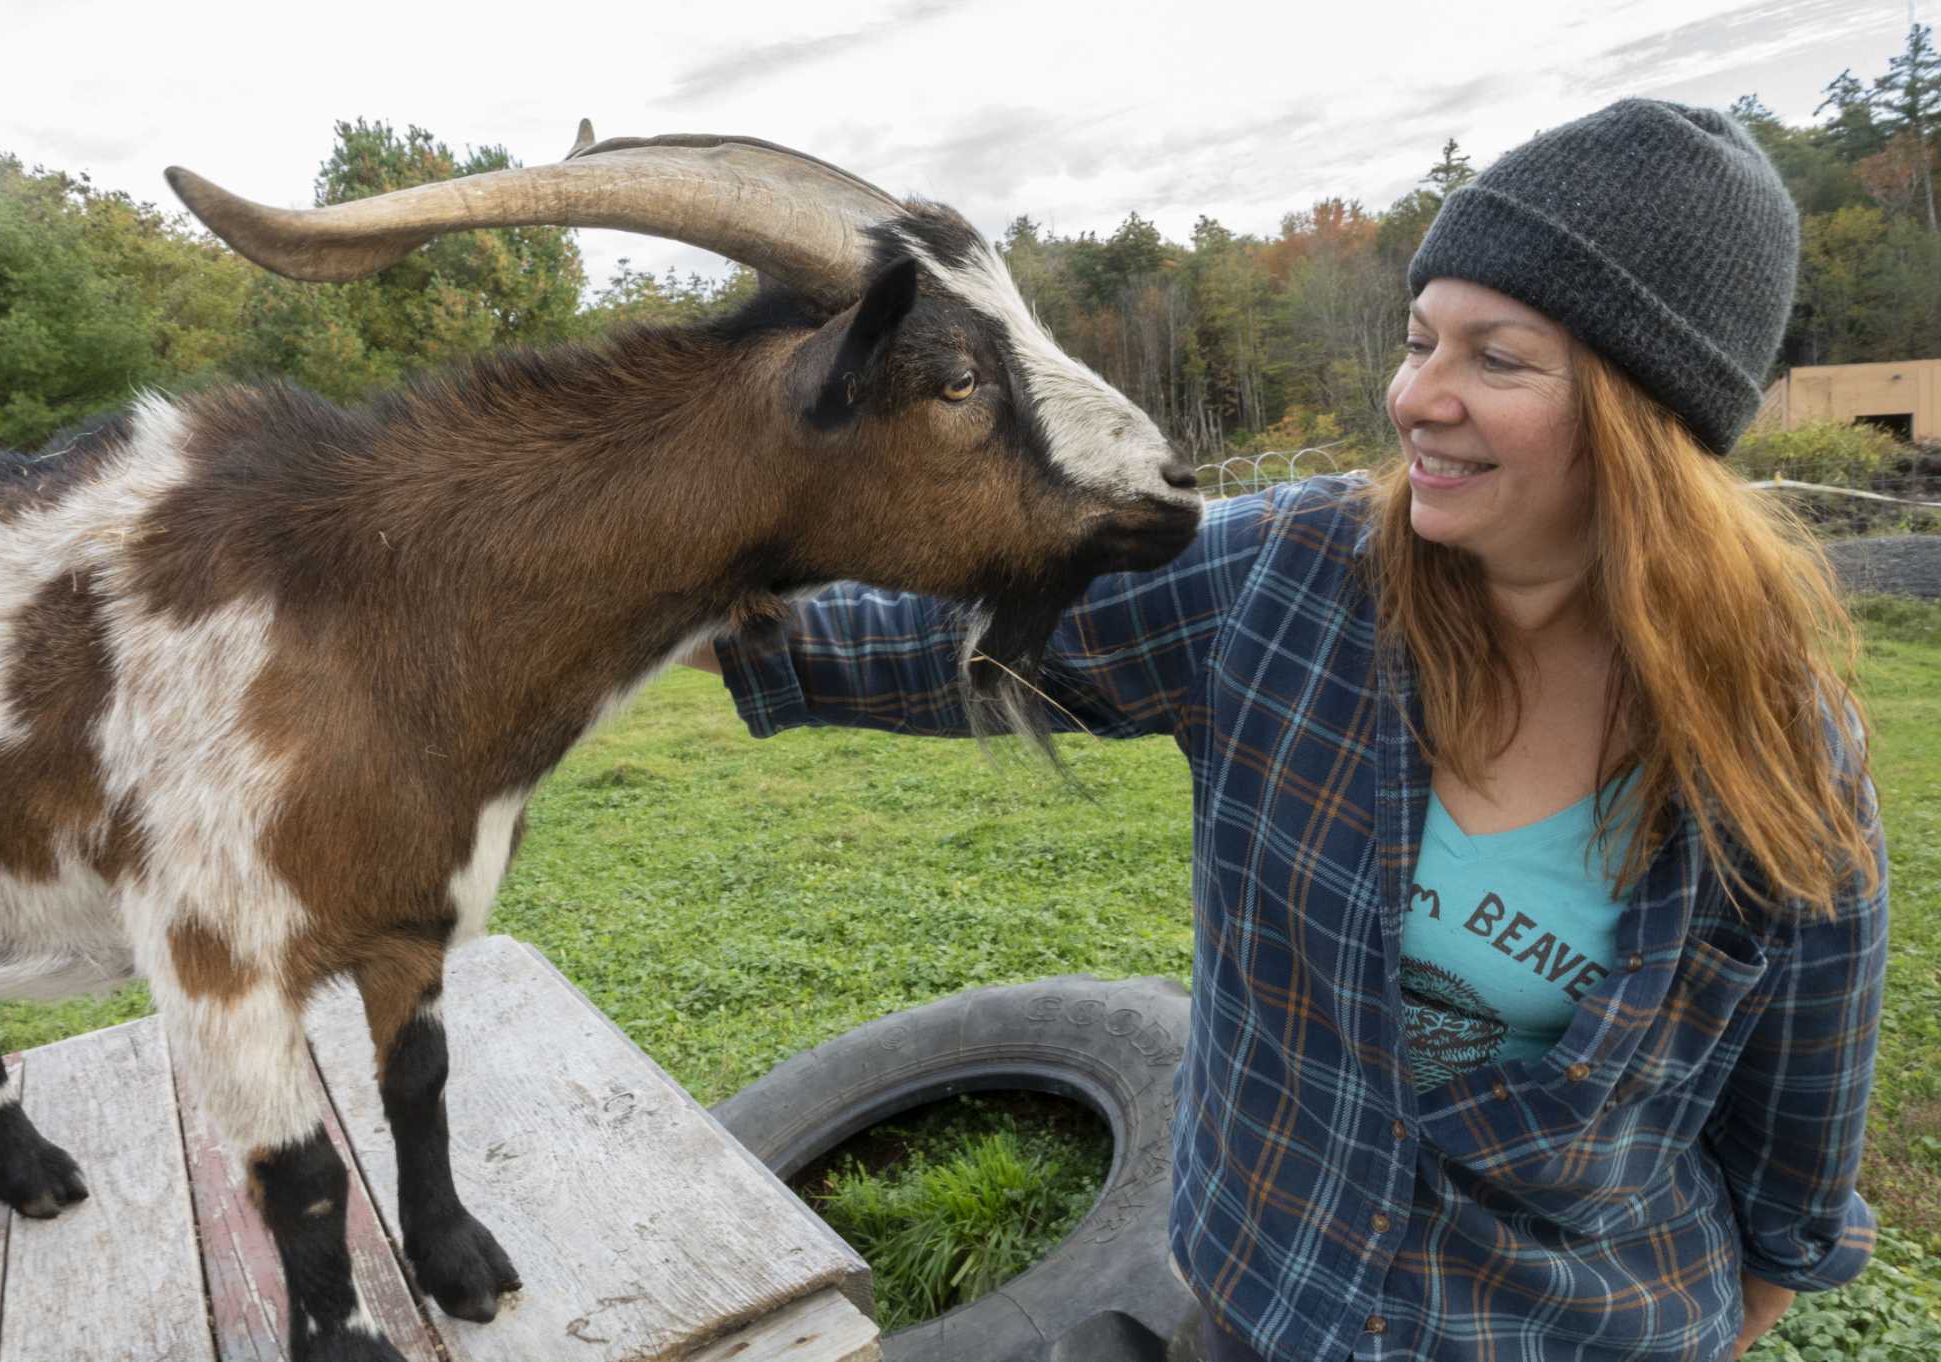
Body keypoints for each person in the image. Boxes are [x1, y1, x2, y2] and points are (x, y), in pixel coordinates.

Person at [687, 99, 1887, 1361]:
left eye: (1496, 357)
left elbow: (1791, 1153)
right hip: (1264, 1301)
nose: (1415, 397)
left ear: (1646, 419)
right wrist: (644, 580)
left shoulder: (1782, 748)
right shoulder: (1293, 577)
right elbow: (944, 643)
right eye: (1419, 339)